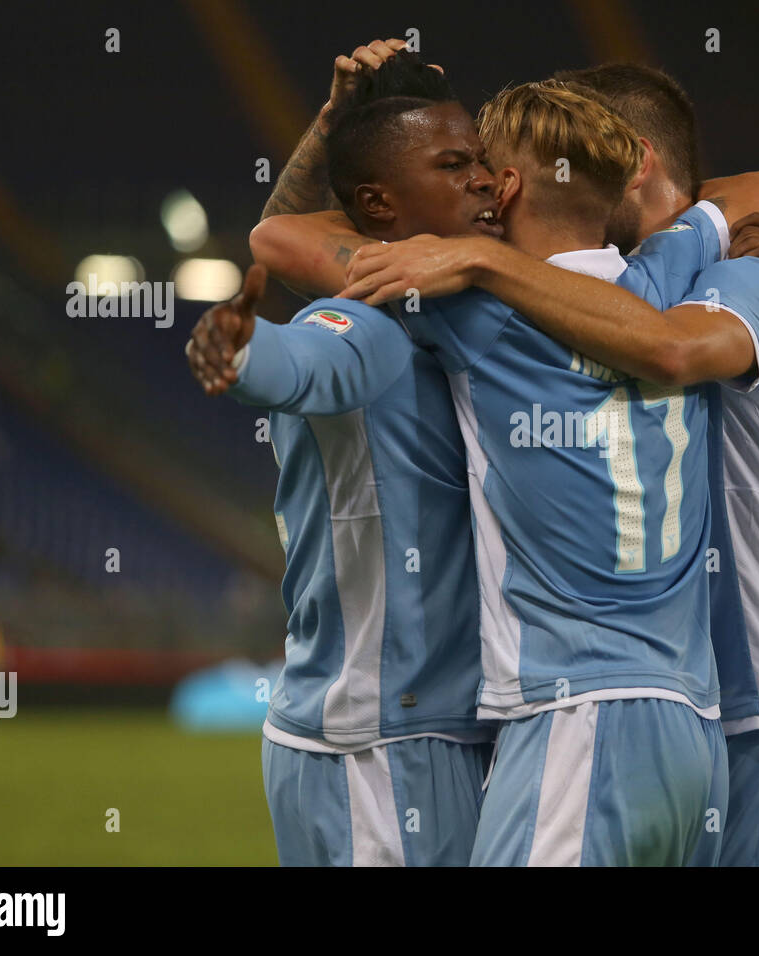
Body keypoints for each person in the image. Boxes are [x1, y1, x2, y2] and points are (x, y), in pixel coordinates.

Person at [343, 63, 759, 864]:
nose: (488, 195)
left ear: (629, 161)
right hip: (702, 718)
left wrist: (483, 262)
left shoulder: (740, 280)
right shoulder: (618, 286)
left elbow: (673, 347)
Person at [184, 49, 499, 866]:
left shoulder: (465, 314)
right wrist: (242, 349)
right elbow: (302, 356)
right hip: (378, 742)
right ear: (377, 205)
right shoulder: (370, 328)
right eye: (454, 164)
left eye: (485, 162)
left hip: (433, 729)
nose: (485, 181)